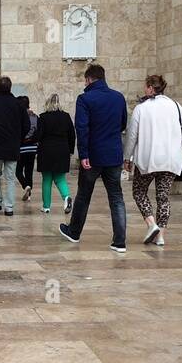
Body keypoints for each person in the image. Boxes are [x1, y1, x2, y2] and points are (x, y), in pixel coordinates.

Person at [59, 64, 129, 252]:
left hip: (93, 155)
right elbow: (123, 123)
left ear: (89, 79)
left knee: (83, 195)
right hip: (113, 155)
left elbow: (82, 128)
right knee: (116, 197)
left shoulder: (85, 99)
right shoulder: (118, 98)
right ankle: (120, 241)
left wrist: (84, 154)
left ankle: (74, 232)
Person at [123, 75, 182, 247]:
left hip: (148, 157)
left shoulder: (142, 108)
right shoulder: (176, 106)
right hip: (170, 160)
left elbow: (132, 136)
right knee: (163, 197)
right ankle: (160, 235)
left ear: (151, 88)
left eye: (146, 87)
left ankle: (151, 223)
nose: (144, 90)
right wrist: (178, 150)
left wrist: (127, 157)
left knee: (139, 191)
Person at [0, 76, 30, 216]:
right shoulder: (18, 105)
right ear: (10, 87)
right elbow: (26, 125)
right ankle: (9, 207)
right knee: (10, 177)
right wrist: (19, 138)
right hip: (12, 146)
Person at [35, 93, 75, 214]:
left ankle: (46, 206)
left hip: (46, 150)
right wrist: (71, 150)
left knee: (47, 179)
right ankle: (66, 196)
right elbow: (72, 135)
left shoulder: (43, 117)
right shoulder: (66, 116)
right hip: (62, 150)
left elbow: (39, 135)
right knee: (60, 177)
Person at [16, 96, 39, 201]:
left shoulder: (19, 117)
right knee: (29, 171)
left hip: (22, 147)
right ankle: (29, 195)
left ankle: (26, 186)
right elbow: (38, 132)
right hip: (33, 148)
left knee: (18, 171)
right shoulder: (35, 117)